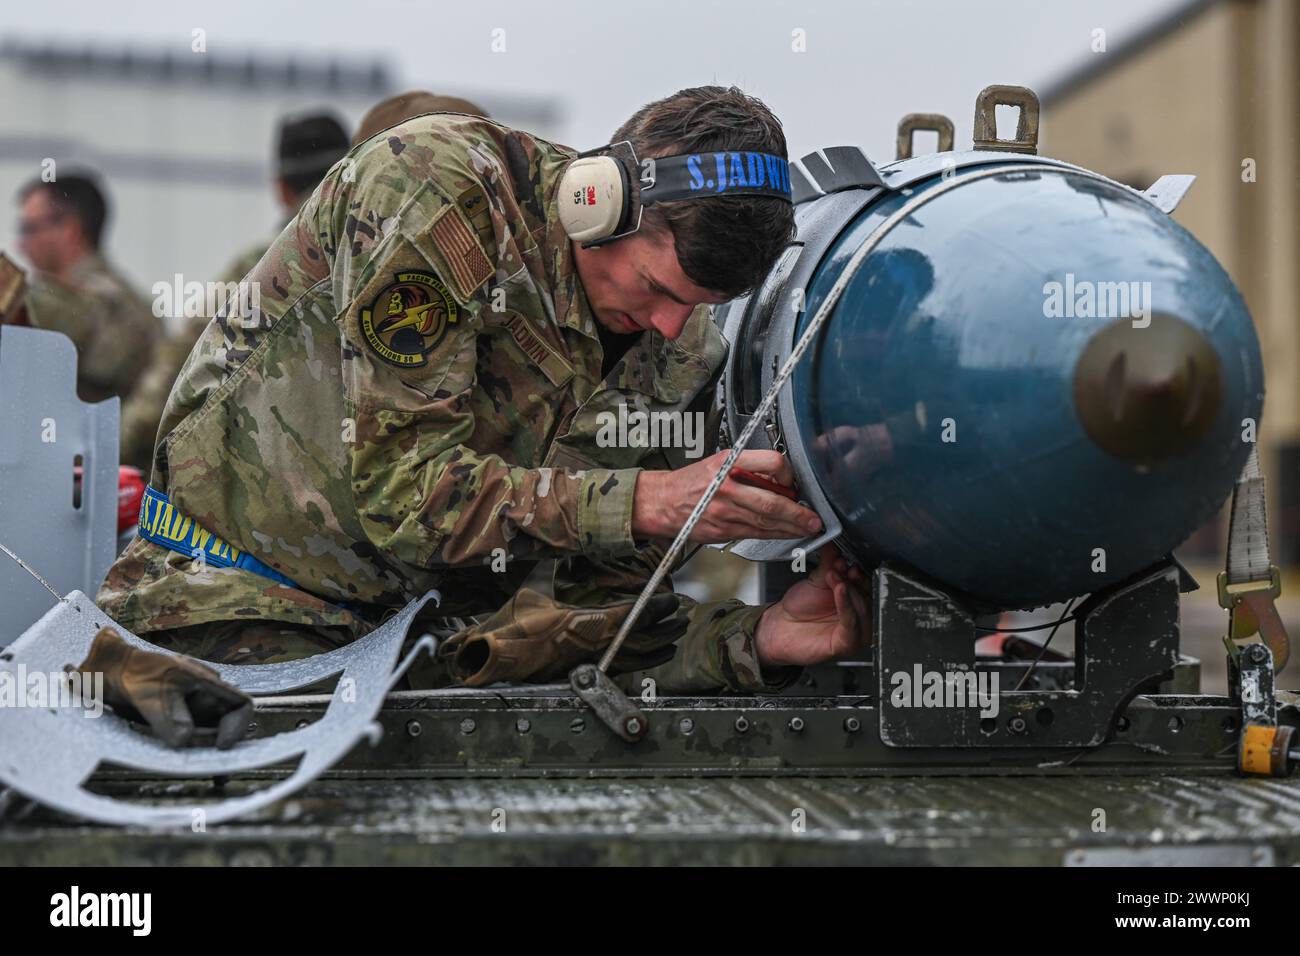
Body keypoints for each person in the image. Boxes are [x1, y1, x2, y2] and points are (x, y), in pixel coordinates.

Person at [96, 85, 869, 694]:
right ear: (595, 200)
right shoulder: (437, 190)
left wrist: (752, 639)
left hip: (415, 654)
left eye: (697, 308)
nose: (672, 327)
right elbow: (404, 497)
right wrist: (645, 500)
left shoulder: (678, 355)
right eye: (659, 288)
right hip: (229, 615)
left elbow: (589, 620)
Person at [119, 112, 351, 471]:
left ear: (281, 188)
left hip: (273, 487)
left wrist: (122, 451)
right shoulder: (384, 260)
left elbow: (180, 371)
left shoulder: (256, 269)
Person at [12, 173, 162, 409]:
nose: (19, 245)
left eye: (29, 228)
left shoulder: (99, 303)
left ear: (69, 230)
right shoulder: (126, 301)